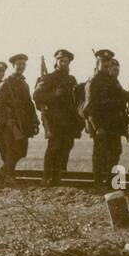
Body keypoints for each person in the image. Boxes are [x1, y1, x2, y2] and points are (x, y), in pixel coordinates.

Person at [33, 50, 82, 185]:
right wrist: (54, 95)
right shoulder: (49, 78)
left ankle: (57, 176)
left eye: (66, 61)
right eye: (61, 61)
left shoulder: (71, 79)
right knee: (54, 148)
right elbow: (37, 96)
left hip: (69, 120)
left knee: (66, 147)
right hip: (55, 120)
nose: (64, 63)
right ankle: (47, 177)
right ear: (56, 62)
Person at [82, 50, 129, 189]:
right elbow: (90, 107)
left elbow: (122, 96)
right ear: (98, 63)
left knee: (115, 152)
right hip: (101, 124)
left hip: (114, 124)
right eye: (103, 62)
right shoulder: (93, 81)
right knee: (100, 153)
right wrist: (97, 127)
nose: (106, 64)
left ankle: (111, 183)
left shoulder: (112, 80)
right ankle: (98, 183)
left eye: (108, 62)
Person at [0, 54, 37, 183]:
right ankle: (8, 175)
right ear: (13, 66)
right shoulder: (7, 83)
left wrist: (35, 121)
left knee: (22, 151)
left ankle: (5, 171)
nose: (21, 67)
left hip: (22, 123)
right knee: (13, 150)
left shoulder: (24, 83)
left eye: (23, 64)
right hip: (10, 124)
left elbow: (29, 104)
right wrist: (7, 121)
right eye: (18, 64)